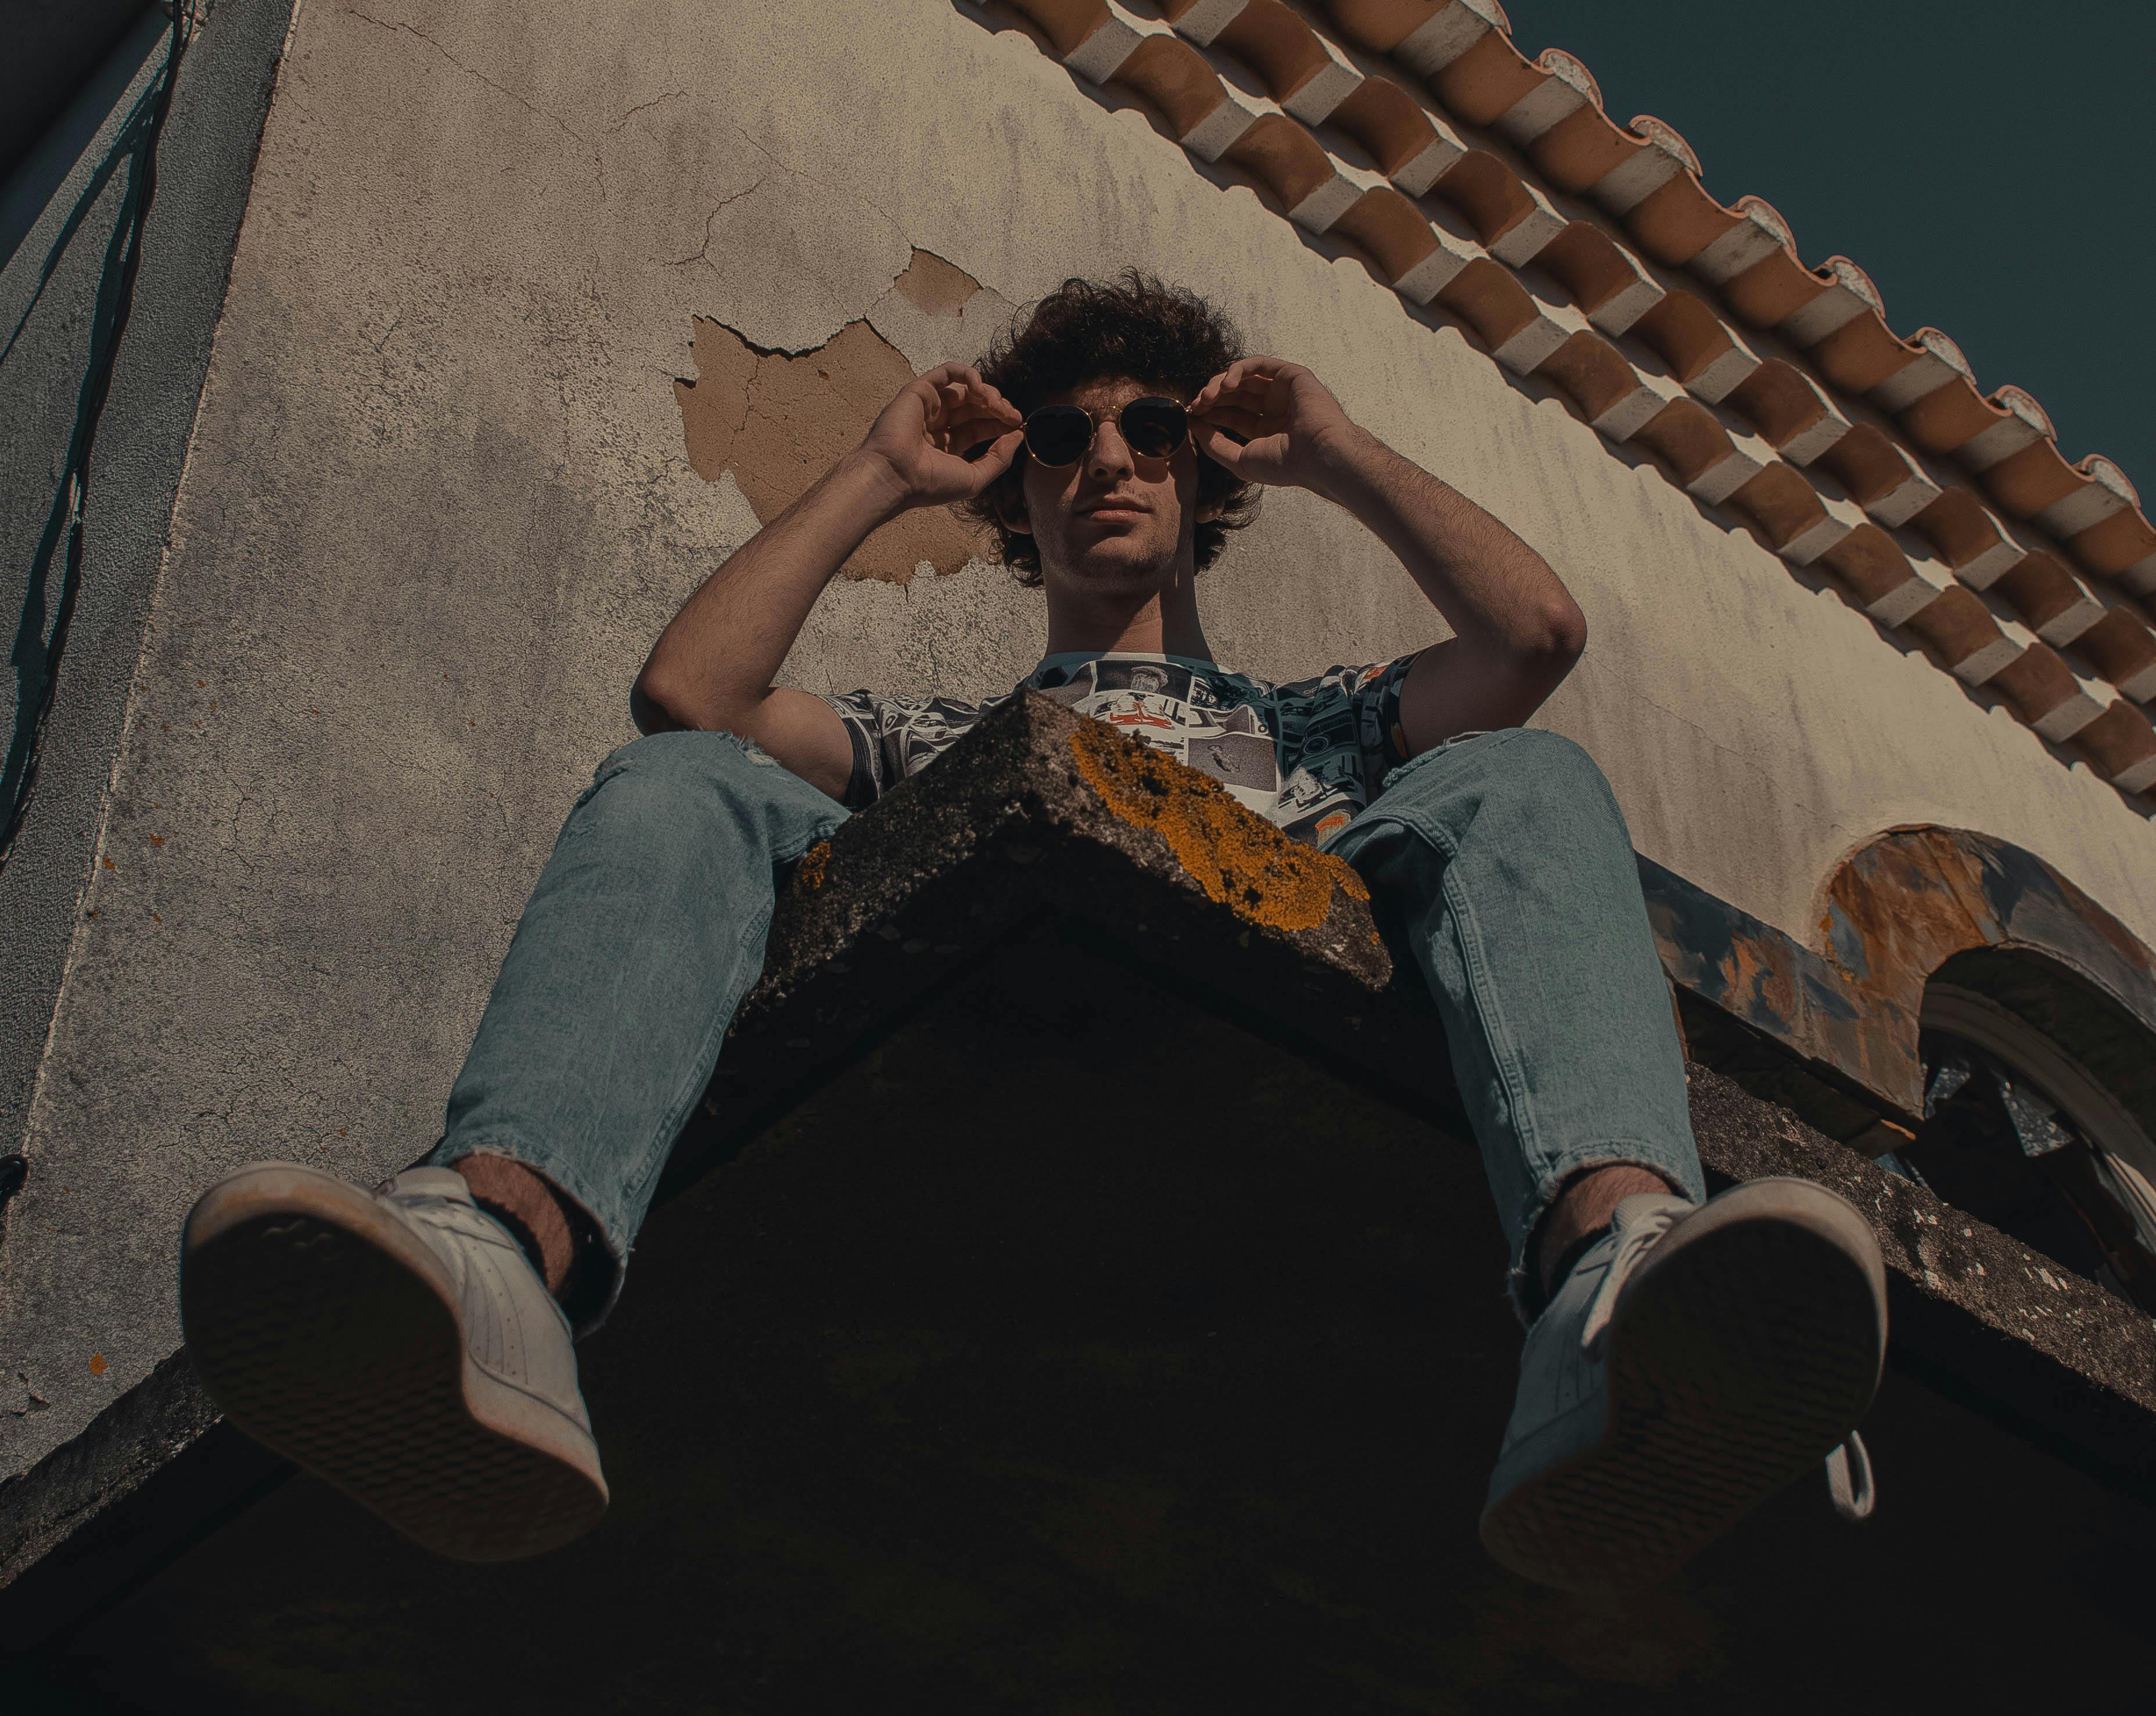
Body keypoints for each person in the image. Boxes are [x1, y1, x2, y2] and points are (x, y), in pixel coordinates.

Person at [180, 273, 1884, 1590]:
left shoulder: (1319, 727)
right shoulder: (933, 743)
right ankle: (498, 1257)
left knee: (1523, 778)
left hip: (1297, 1014)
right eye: (1066, 439)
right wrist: (877, 470)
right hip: (1009, 1015)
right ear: (1024, 491)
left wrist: (1335, 447)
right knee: (680, 786)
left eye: (1156, 429)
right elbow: (691, 698)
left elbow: (1532, 636)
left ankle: (1608, 1285)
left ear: (1207, 471)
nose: (1112, 460)